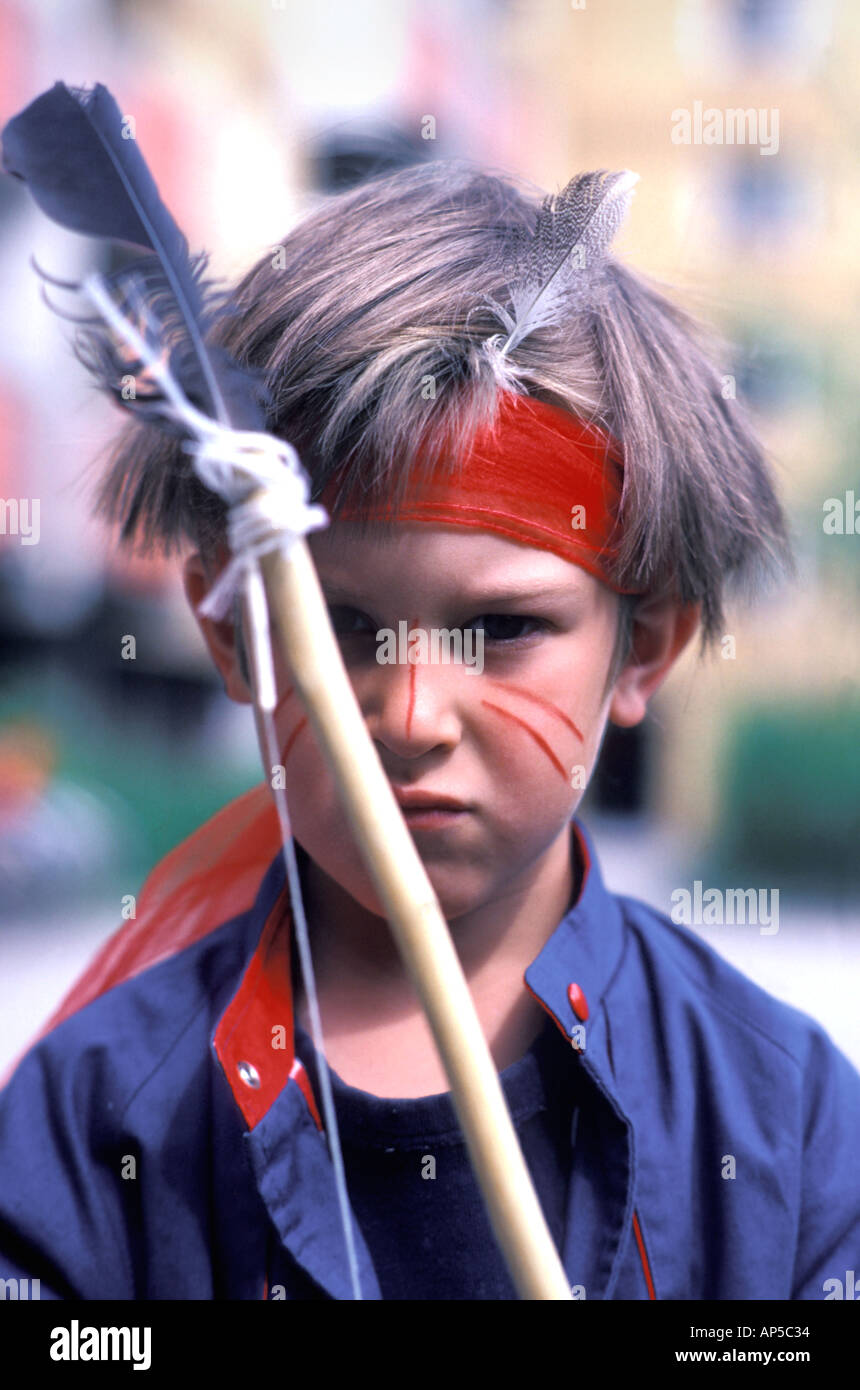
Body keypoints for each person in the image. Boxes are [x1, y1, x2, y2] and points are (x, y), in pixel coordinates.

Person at [0, 161, 857, 1301]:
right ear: (239, 640)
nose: (409, 717)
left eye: (500, 628)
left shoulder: (781, 1121)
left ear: (642, 646)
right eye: (340, 625)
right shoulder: (90, 1123)